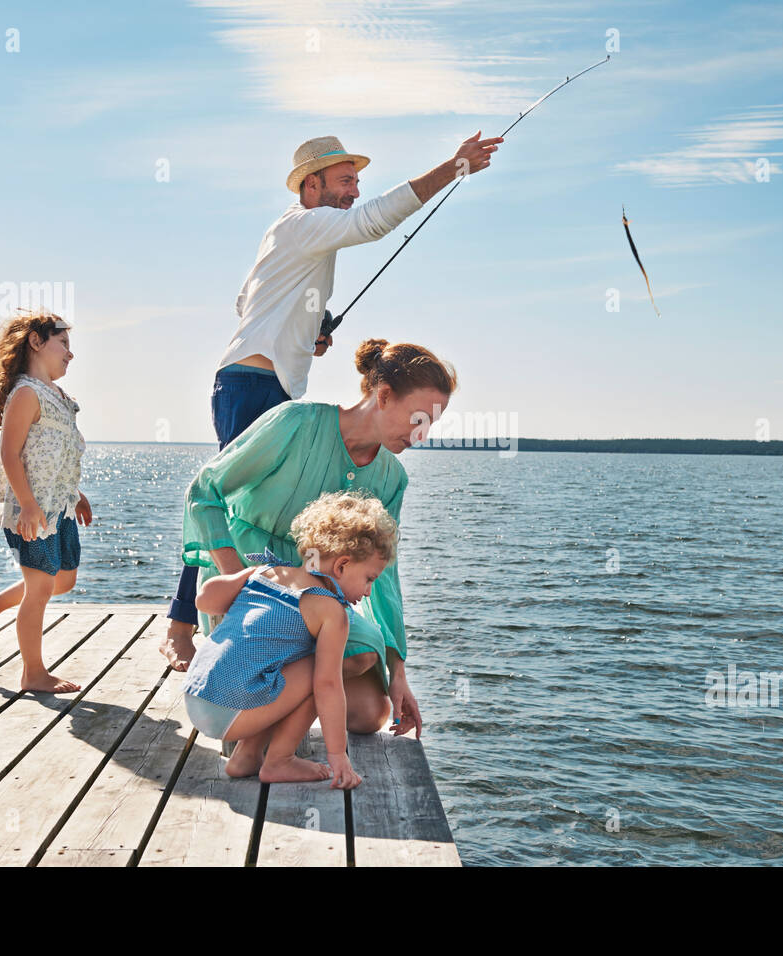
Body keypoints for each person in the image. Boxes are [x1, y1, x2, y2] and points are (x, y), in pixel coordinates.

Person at [160, 130, 503, 672]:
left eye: (356, 181)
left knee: (232, 497)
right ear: (310, 186)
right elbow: (375, 221)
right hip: (254, 384)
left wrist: (305, 331)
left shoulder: (295, 239)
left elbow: (245, 299)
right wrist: (453, 168)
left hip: (255, 379)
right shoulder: (304, 225)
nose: (354, 191)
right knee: (223, 497)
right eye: (345, 181)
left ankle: (211, 616)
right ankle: (189, 622)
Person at [181, 338, 457, 737]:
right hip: (248, 579)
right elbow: (205, 492)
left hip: (317, 602)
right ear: (383, 396)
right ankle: (259, 731)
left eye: (431, 424)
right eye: (418, 420)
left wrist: (398, 671)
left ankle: (273, 708)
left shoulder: (391, 478)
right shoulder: (296, 422)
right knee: (342, 662)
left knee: (368, 714)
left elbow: (383, 577)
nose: (422, 436)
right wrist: (240, 585)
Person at [184, 491, 398, 787]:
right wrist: (338, 756)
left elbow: (204, 600)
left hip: (196, 694)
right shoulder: (330, 611)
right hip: (228, 709)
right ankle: (279, 760)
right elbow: (328, 686)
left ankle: (247, 756)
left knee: (276, 667)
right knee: (317, 671)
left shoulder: (268, 572)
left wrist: (251, 574)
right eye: (369, 579)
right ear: (341, 566)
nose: (369, 591)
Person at [0, 311, 93, 693]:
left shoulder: (58, 397)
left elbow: (59, 455)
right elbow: (10, 454)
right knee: (39, 588)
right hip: (33, 510)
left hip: (58, 507)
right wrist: (26, 504)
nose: (70, 355)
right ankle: (33, 673)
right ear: (36, 342)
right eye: (64, 344)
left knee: (64, 580)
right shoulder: (26, 393)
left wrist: (77, 494)